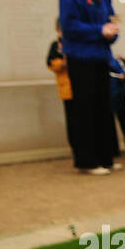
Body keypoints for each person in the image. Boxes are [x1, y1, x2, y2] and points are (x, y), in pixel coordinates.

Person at [57, 0, 118, 174]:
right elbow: (69, 25)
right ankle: (87, 161)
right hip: (80, 57)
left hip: (101, 56)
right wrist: (99, 30)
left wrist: (112, 31)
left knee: (103, 107)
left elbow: (110, 17)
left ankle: (105, 158)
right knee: (85, 109)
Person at [46, 20, 74, 151]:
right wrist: (61, 64)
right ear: (58, 30)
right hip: (67, 88)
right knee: (72, 119)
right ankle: (75, 147)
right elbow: (50, 63)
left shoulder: (75, 43)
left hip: (80, 86)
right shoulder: (56, 45)